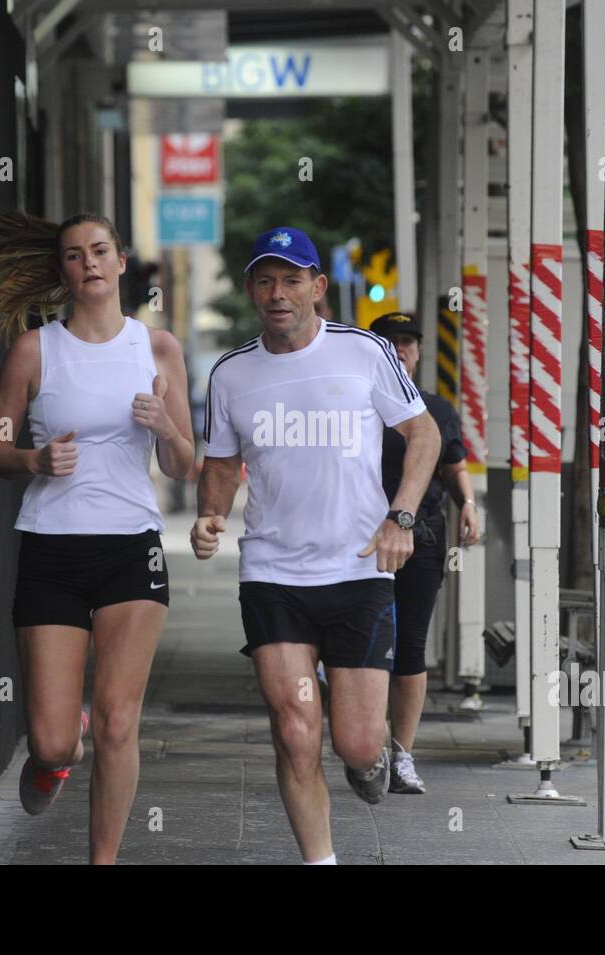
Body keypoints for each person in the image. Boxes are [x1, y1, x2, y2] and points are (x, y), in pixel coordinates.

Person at [190, 227, 441, 865]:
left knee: (356, 743)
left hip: (358, 572)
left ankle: (369, 756)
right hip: (274, 577)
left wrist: (401, 518)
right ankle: (320, 860)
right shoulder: (231, 373)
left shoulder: (364, 353)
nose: (279, 293)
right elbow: (221, 462)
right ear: (251, 289)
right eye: (266, 281)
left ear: (317, 288)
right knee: (296, 729)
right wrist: (210, 515)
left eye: (292, 279)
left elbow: (424, 435)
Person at [0, 211, 194, 864]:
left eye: (100, 251)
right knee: (51, 740)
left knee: (118, 723)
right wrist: (34, 462)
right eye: (74, 255)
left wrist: (165, 427)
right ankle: (53, 759)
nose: (89, 263)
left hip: (131, 546)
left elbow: (186, 463)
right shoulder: (35, 350)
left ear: (122, 262)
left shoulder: (157, 349)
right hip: (53, 550)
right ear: (63, 271)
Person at [368, 312, 482, 794]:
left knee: (410, 646)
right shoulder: (356, 406)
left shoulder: (436, 409)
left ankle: (402, 756)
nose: (400, 350)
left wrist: (469, 506)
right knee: (366, 646)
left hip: (423, 540)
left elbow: (455, 466)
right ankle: (366, 747)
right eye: (389, 342)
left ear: (417, 352)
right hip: (360, 543)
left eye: (408, 343)